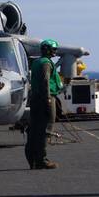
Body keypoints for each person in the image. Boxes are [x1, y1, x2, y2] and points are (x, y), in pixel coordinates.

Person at [25, 39, 60, 170]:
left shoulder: (36, 62)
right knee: (46, 129)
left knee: (34, 129)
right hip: (45, 98)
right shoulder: (46, 63)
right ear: (47, 49)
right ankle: (42, 160)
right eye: (53, 49)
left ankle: (32, 159)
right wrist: (48, 99)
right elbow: (46, 82)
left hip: (35, 98)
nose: (55, 51)